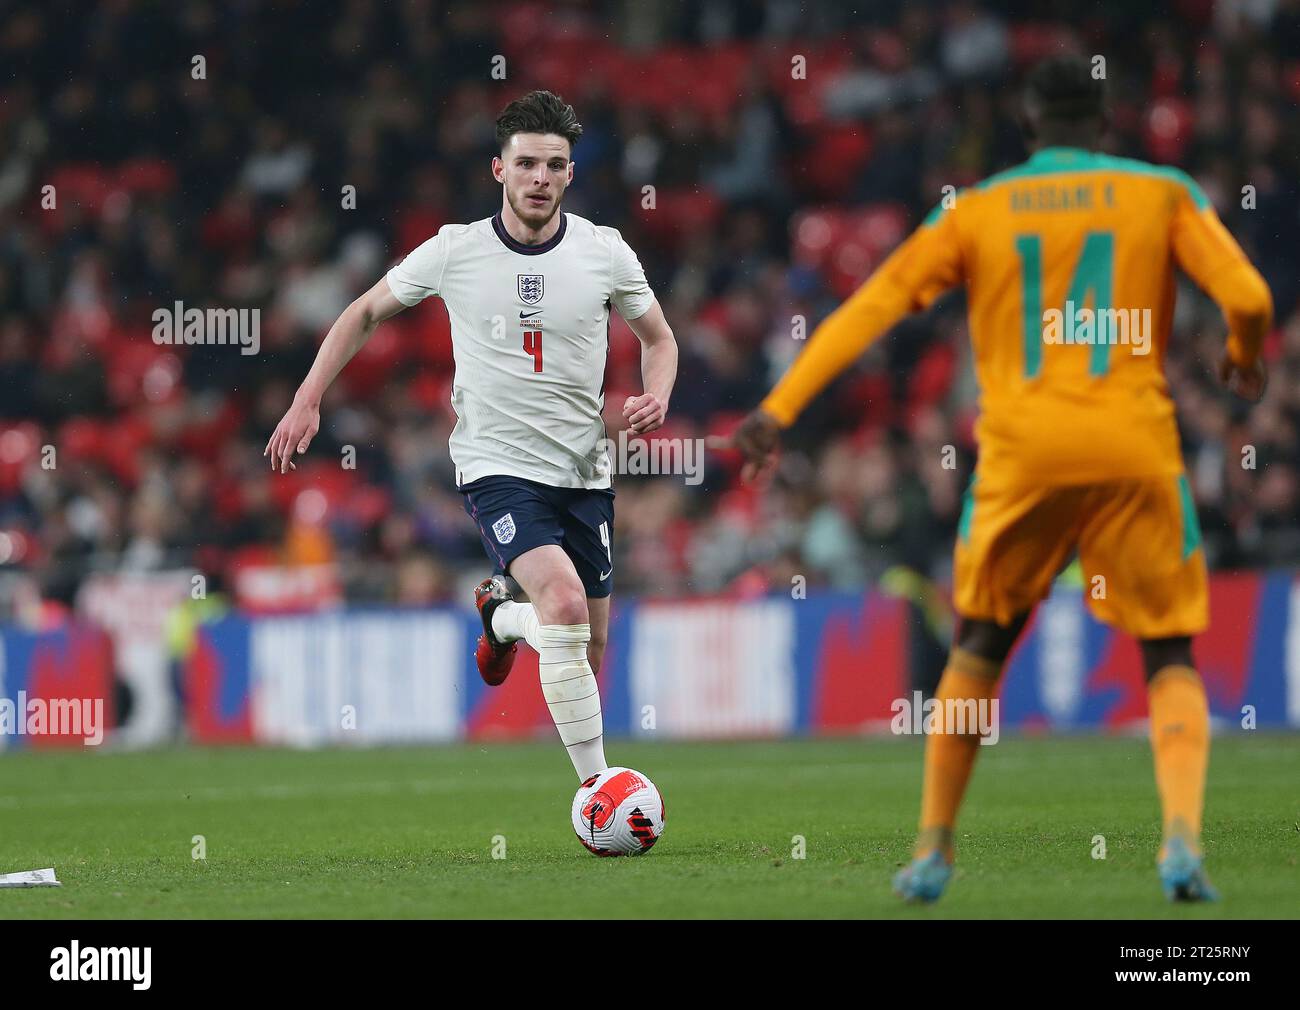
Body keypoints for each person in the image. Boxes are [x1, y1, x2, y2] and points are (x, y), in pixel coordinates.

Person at [729, 55, 1272, 903]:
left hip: (1023, 454)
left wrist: (780, 406)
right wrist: (1243, 359)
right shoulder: (1161, 191)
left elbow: (874, 304)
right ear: (1104, 124)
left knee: (979, 646)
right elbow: (1249, 297)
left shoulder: (977, 209)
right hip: (1134, 446)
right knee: (1168, 650)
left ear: (1026, 126)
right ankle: (1179, 840)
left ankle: (932, 850)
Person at [265, 90, 678, 782]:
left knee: (587, 645)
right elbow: (363, 312)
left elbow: (659, 339)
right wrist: (308, 399)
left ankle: (503, 620)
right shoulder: (455, 249)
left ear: (571, 173)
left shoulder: (605, 252)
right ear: (499, 170)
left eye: (554, 165)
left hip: (584, 472)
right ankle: (599, 790)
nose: (540, 178)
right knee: (565, 606)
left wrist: (657, 394)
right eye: (527, 164)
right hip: (497, 466)